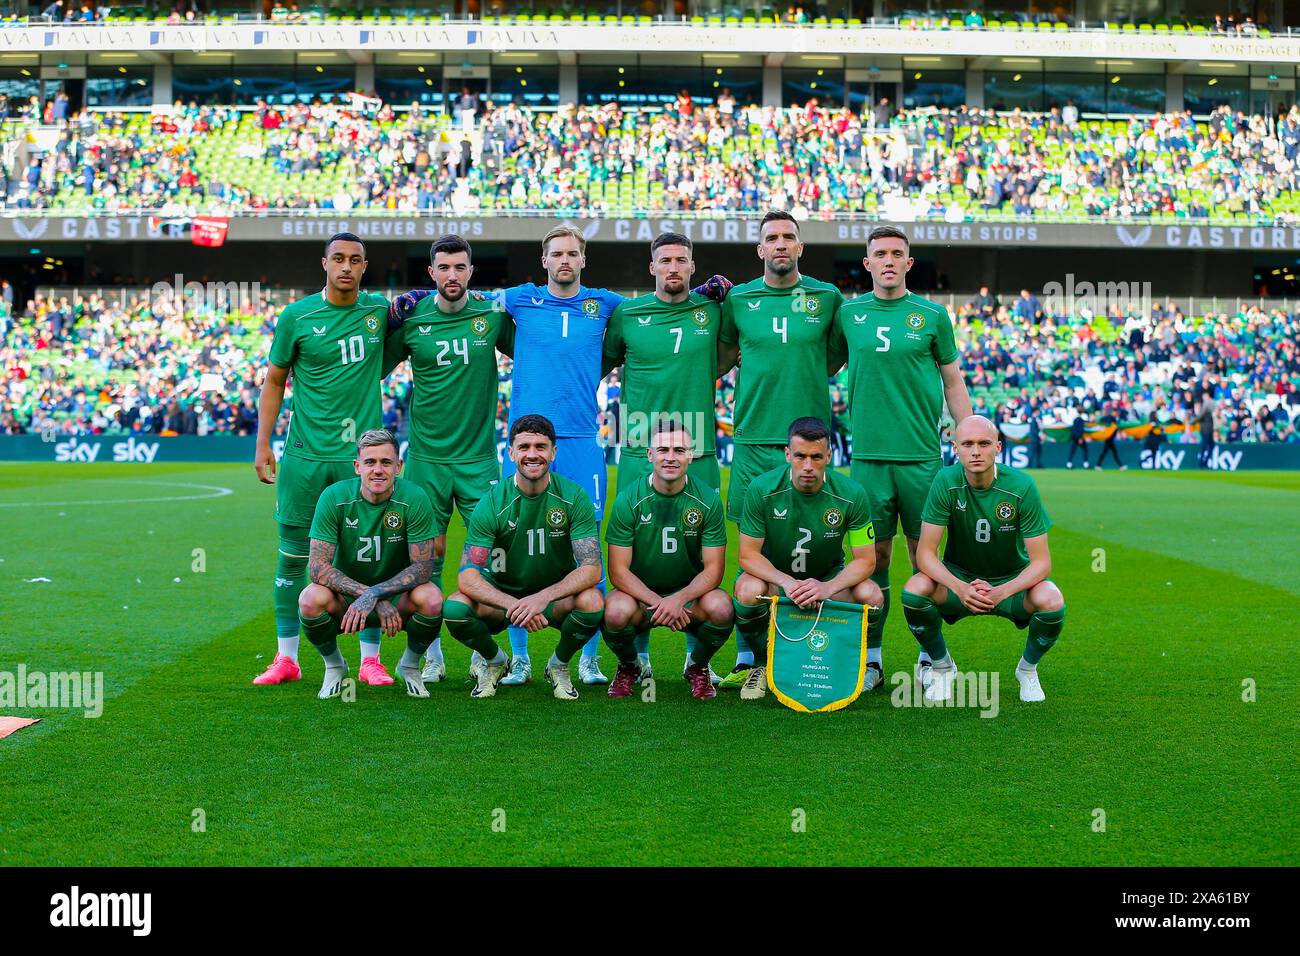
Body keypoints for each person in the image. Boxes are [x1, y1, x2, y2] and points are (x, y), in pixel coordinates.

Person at [490, 225, 729, 688]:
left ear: (584, 259)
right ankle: (519, 656)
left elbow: (658, 307)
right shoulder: (519, 300)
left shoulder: (607, 305)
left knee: (590, 545)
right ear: (544, 260)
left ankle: (588, 658)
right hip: (525, 440)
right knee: (514, 541)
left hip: (580, 439)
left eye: (572, 253)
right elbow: (464, 299)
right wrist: (417, 292)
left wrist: (698, 291)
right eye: (556, 253)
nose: (564, 260)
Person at [251, 232, 423, 686]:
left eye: (355, 260)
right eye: (338, 259)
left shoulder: (377, 313)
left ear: (365, 266)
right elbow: (274, 380)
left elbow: (427, 313)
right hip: (305, 457)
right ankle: (286, 658)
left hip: (361, 461)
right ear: (324, 263)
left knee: (369, 558)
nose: (346, 266)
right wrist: (262, 442)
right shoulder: (297, 316)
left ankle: (370, 660)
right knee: (292, 558)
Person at [832, 224, 971, 690]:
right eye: (880, 254)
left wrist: (968, 432)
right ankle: (870, 659)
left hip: (922, 460)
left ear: (908, 263)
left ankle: (931, 657)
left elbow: (953, 381)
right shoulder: (848, 315)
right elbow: (819, 365)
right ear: (867, 264)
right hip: (869, 462)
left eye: (897, 253)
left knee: (923, 559)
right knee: (873, 560)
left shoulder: (931, 316)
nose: (888, 260)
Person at [715, 210, 846, 688]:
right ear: (760, 250)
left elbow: (832, 359)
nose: (781, 244)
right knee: (753, 553)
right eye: (771, 238)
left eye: (789, 237)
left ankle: (809, 652)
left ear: (801, 247)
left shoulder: (827, 298)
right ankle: (750, 660)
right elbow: (722, 358)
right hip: (752, 443)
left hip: (807, 447)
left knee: (818, 546)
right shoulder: (739, 300)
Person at [382, 234, 513, 685]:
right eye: (444, 268)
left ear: (471, 272)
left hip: (479, 460)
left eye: (460, 267)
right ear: (431, 273)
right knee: (426, 556)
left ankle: (486, 651)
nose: (452, 275)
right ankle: (430, 654)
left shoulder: (492, 314)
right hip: (426, 460)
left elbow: (533, 349)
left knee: (494, 558)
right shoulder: (415, 319)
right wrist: (387, 315)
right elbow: (373, 364)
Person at [602, 232, 725, 680]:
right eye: (665, 261)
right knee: (639, 552)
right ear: (651, 267)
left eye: (682, 260)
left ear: (693, 267)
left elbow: (729, 355)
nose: (673, 267)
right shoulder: (628, 313)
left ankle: (698, 661)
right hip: (639, 446)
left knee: (698, 550)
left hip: (698, 447)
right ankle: (641, 660)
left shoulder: (711, 310)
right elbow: (601, 361)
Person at [902, 415, 1065, 703]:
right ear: (955, 448)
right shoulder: (945, 480)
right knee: (915, 589)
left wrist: (1002, 591)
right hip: (960, 579)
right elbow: (925, 554)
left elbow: (1042, 563)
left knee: (1052, 600)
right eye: (967, 444)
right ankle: (941, 667)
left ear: (998, 447)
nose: (975, 451)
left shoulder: (1021, 486)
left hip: (1010, 584)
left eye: (984, 443)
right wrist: (960, 587)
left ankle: (1027, 670)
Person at [443, 414, 605, 701]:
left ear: (553, 452)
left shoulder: (573, 497)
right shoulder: (492, 501)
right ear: (511, 452)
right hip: (503, 600)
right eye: (524, 446)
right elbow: (468, 576)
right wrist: (516, 605)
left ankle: (558, 664)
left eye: (541, 447)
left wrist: (541, 598)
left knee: (592, 601)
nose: (533, 454)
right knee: (455, 609)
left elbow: (591, 569)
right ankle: (494, 660)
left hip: (552, 600)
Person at [732, 418, 882, 701]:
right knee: (748, 590)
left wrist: (827, 587)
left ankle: (848, 664)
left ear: (829, 456)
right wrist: (788, 583)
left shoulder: (852, 494)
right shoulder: (761, 489)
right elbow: (747, 555)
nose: (808, 466)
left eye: (816, 457)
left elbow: (866, 561)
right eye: (800, 456)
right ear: (788, 454)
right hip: (777, 582)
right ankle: (763, 663)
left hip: (827, 581)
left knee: (871, 595)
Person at [298, 429, 441, 699]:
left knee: (432, 598)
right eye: (370, 462)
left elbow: (423, 568)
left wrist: (377, 593)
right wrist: (367, 593)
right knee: (309, 598)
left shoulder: (415, 497)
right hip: (347, 601)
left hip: (397, 602)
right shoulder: (334, 497)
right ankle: (334, 666)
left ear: (398, 467)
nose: (378, 470)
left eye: (386, 462)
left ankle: (409, 665)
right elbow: (316, 568)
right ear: (357, 466)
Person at [602, 419, 732, 700]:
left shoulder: (707, 500)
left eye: (679, 450)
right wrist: (659, 602)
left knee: (721, 607)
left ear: (691, 454)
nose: (670, 457)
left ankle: (697, 665)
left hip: (689, 599)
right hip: (640, 597)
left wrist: (677, 599)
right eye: (662, 450)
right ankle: (629, 666)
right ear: (650, 455)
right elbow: (618, 571)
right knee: (613, 611)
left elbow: (714, 570)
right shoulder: (629, 499)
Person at [1095, 405, 1127, 470]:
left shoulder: (1109, 418)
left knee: (1108, 452)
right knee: (1111, 452)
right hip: (1109, 438)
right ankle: (1121, 465)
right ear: (1113, 412)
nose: (1116, 413)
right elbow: (1110, 427)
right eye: (1115, 412)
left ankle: (1098, 465)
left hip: (1110, 438)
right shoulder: (1111, 418)